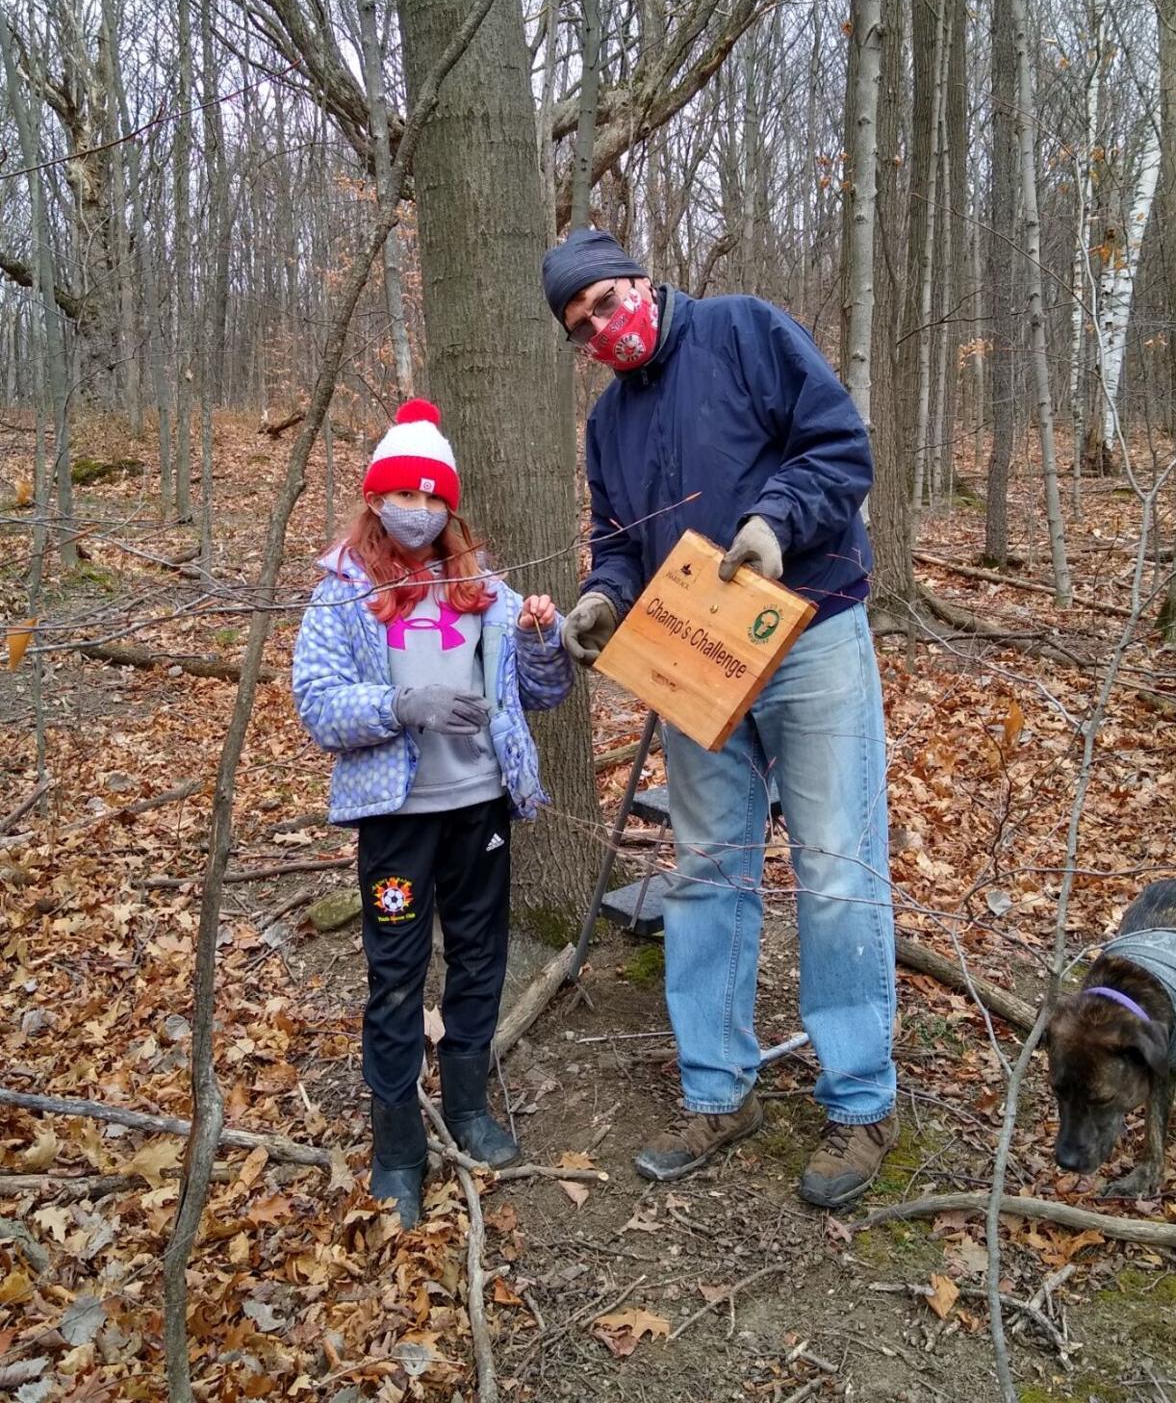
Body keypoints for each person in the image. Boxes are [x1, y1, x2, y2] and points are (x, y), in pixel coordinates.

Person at [542, 231, 897, 1208]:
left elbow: (840, 446)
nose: (602, 332)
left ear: (641, 281)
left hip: (812, 628)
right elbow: (616, 542)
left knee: (836, 867)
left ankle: (862, 1101)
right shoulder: (609, 423)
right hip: (695, 658)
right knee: (705, 872)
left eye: (606, 304)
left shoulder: (745, 330)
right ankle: (716, 1089)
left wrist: (776, 520)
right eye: (581, 330)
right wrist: (601, 600)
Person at [292, 399, 573, 1226]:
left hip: (479, 810)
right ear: (375, 498)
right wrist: (400, 702)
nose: (417, 511)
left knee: (481, 959)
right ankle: (399, 1148)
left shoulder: (484, 590)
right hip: (397, 820)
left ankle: (470, 1108)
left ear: (450, 505)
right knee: (396, 971)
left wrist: (537, 640)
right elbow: (315, 704)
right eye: (401, 496)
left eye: (432, 498)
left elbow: (546, 694)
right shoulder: (341, 593)